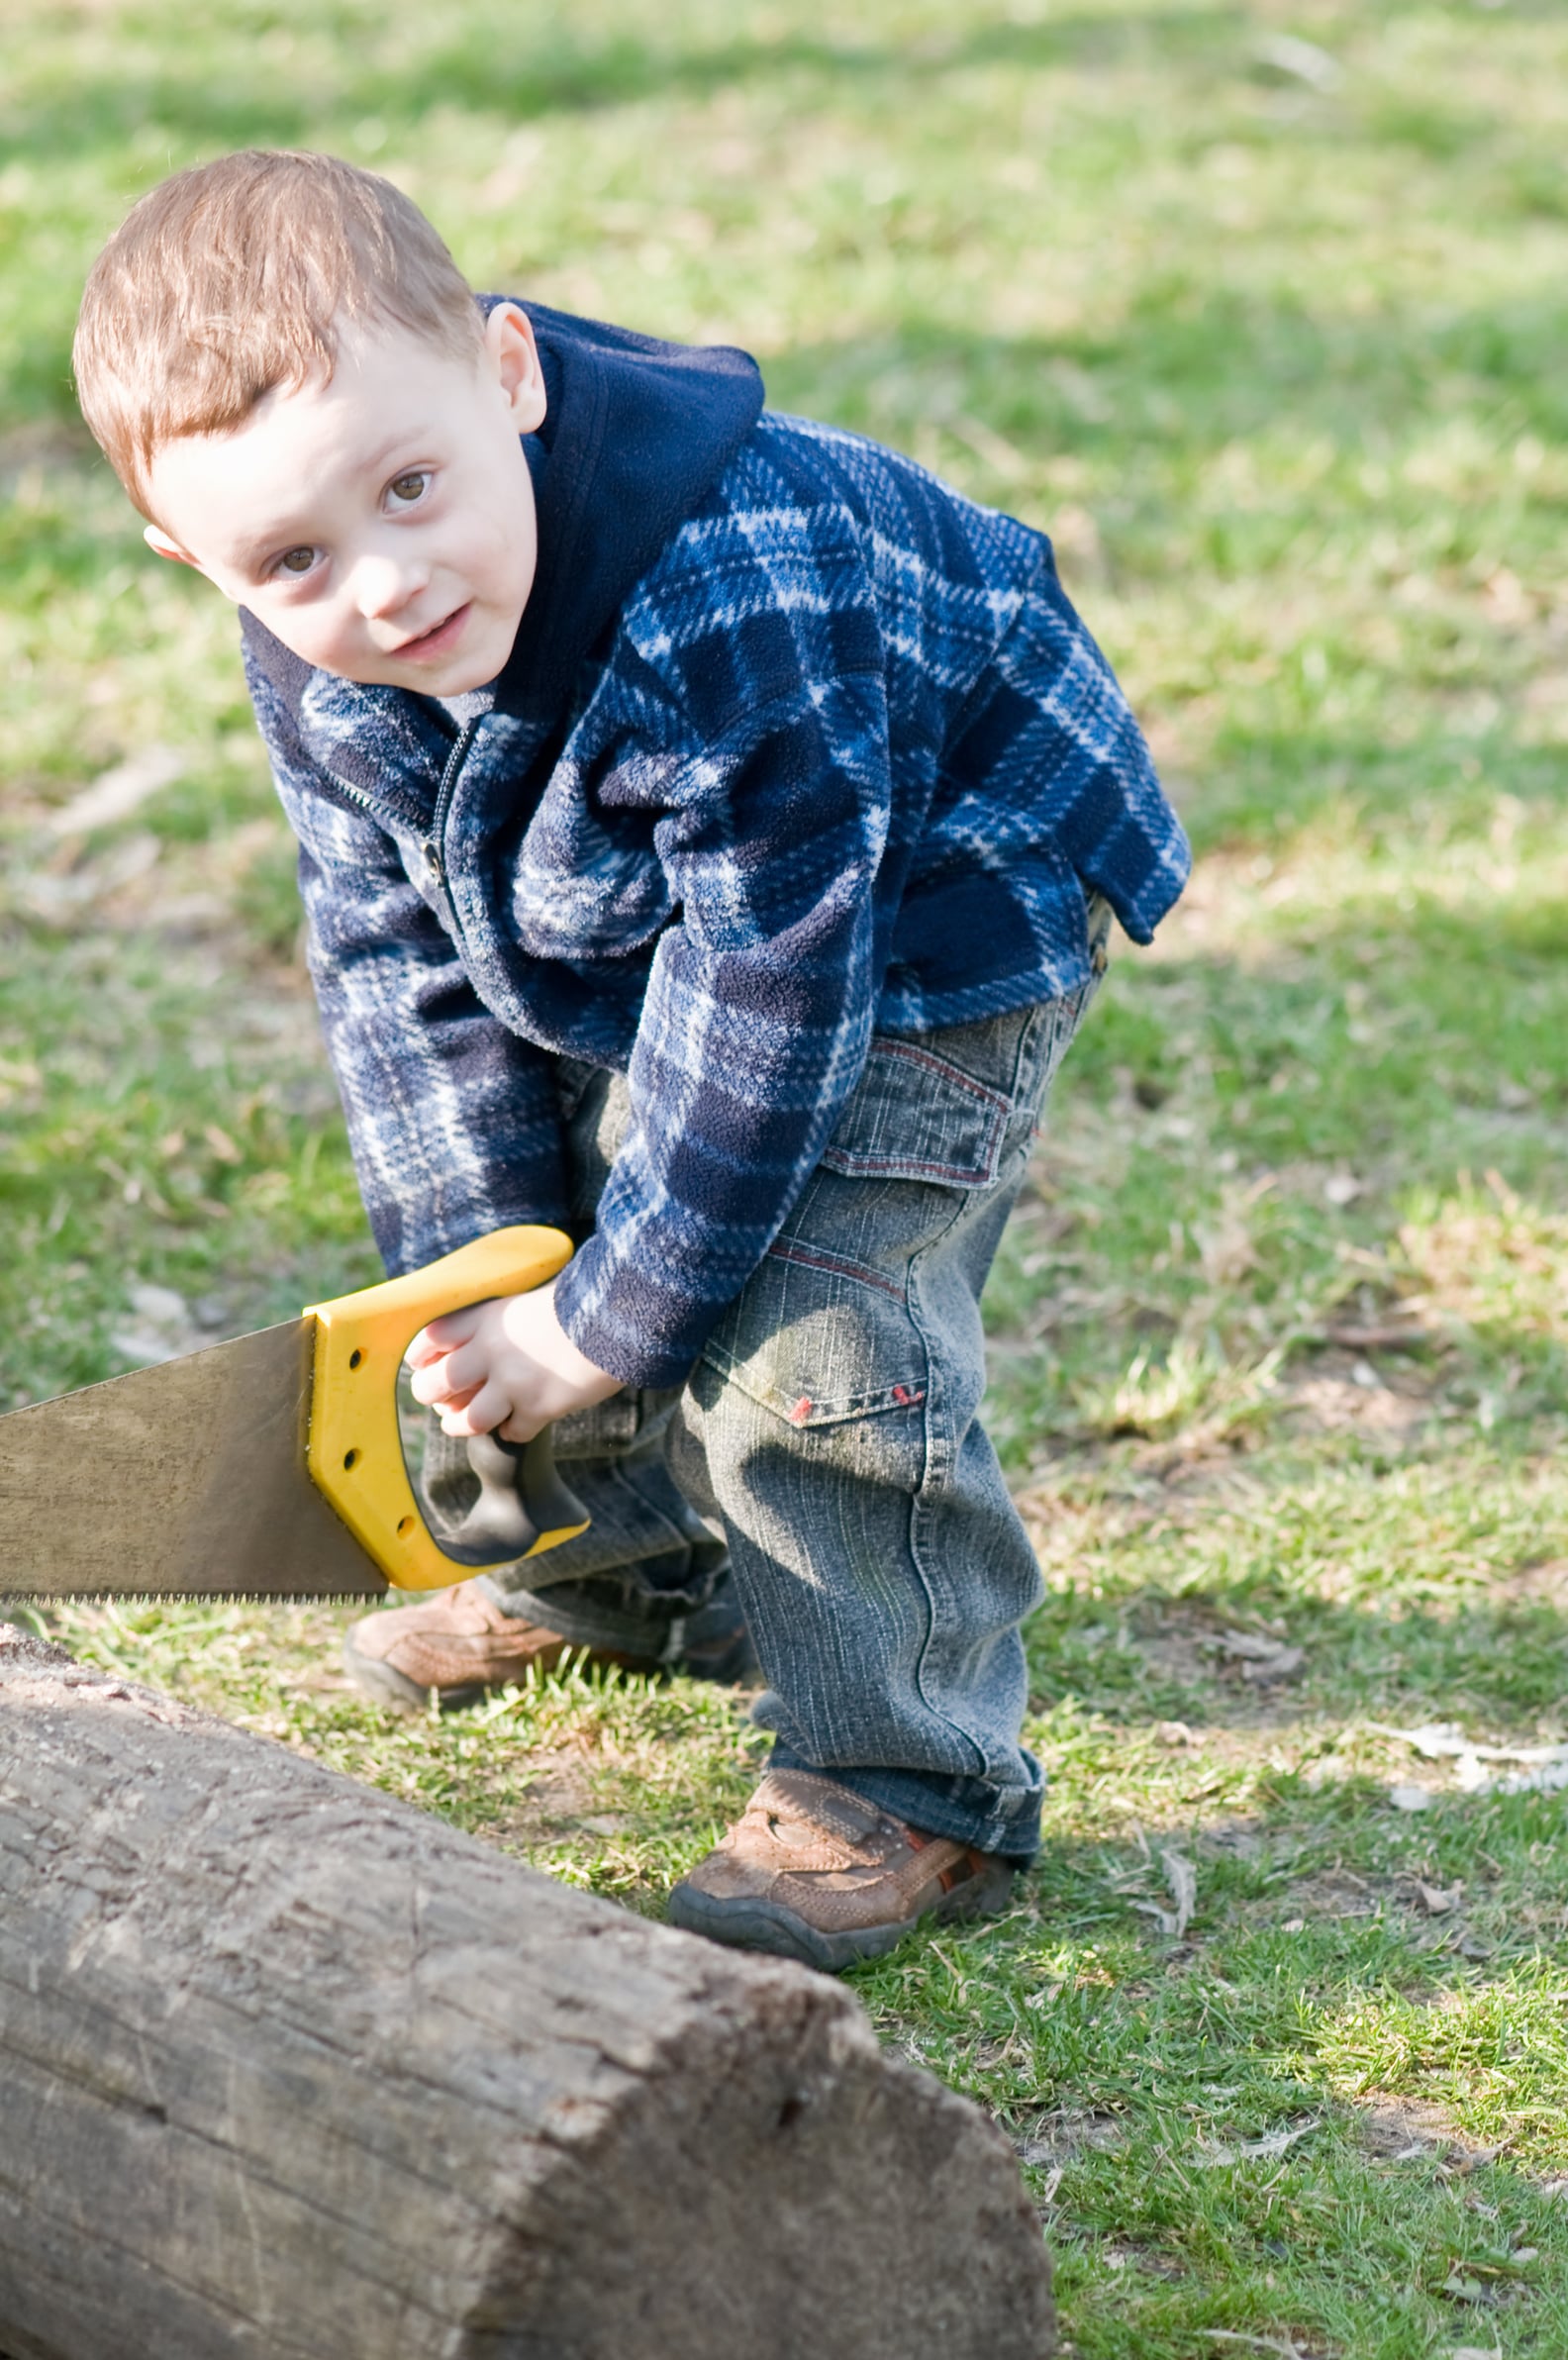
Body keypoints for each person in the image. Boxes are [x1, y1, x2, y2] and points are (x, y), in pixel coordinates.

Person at [73, 148, 1189, 1972]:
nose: (383, 584)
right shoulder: (322, 652)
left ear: (508, 371)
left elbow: (773, 991)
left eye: (412, 487)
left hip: (925, 911)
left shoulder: (726, 586)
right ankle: (634, 1583)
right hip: (655, 904)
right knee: (561, 1265)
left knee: (810, 1326)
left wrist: (610, 1319)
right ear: (191, 557)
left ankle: (910, 1776)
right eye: (291, 558)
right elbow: (391, 951)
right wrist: (494, 1263)